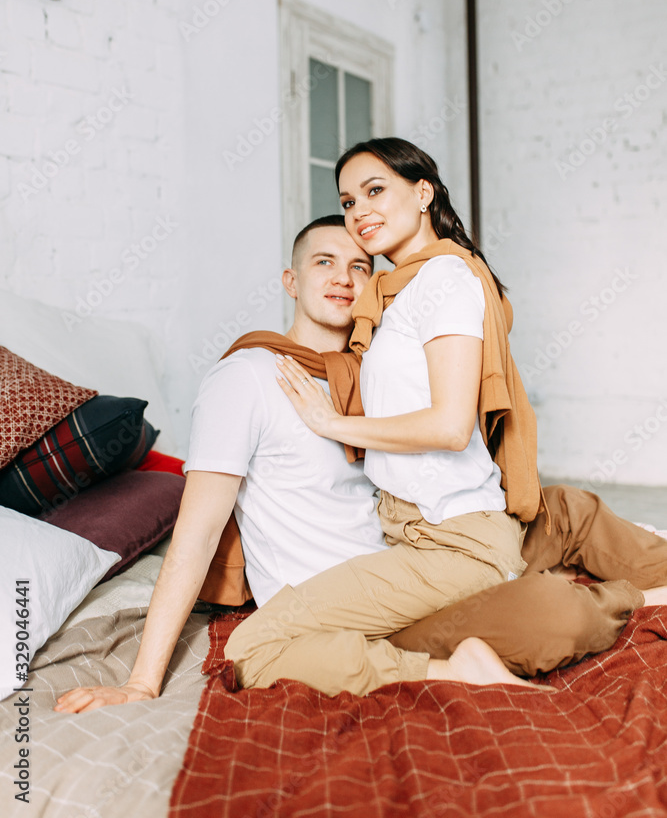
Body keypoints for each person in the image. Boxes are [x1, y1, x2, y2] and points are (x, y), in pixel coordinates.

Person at [223, 138, 667, 696]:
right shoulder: (395, 295)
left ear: (423, 192)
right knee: (567, 520)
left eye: (375, 190)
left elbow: (451, 426)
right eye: (348, 201)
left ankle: (447, 669)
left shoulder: (443, 281)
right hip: (432, 532)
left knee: (251, 647)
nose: (359, 211)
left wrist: (331, 423)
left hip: (445, 539)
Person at [55, 215, 534, 715]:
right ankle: (445, 670)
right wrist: (141, 683)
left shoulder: (376, 375)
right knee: (253, 652)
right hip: (317, 600)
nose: (343, 278)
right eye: (323, 262)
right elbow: (195, 536)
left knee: (561, 604)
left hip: (402, 579)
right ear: (292, 280)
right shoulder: (247, 377)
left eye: (360, 267)